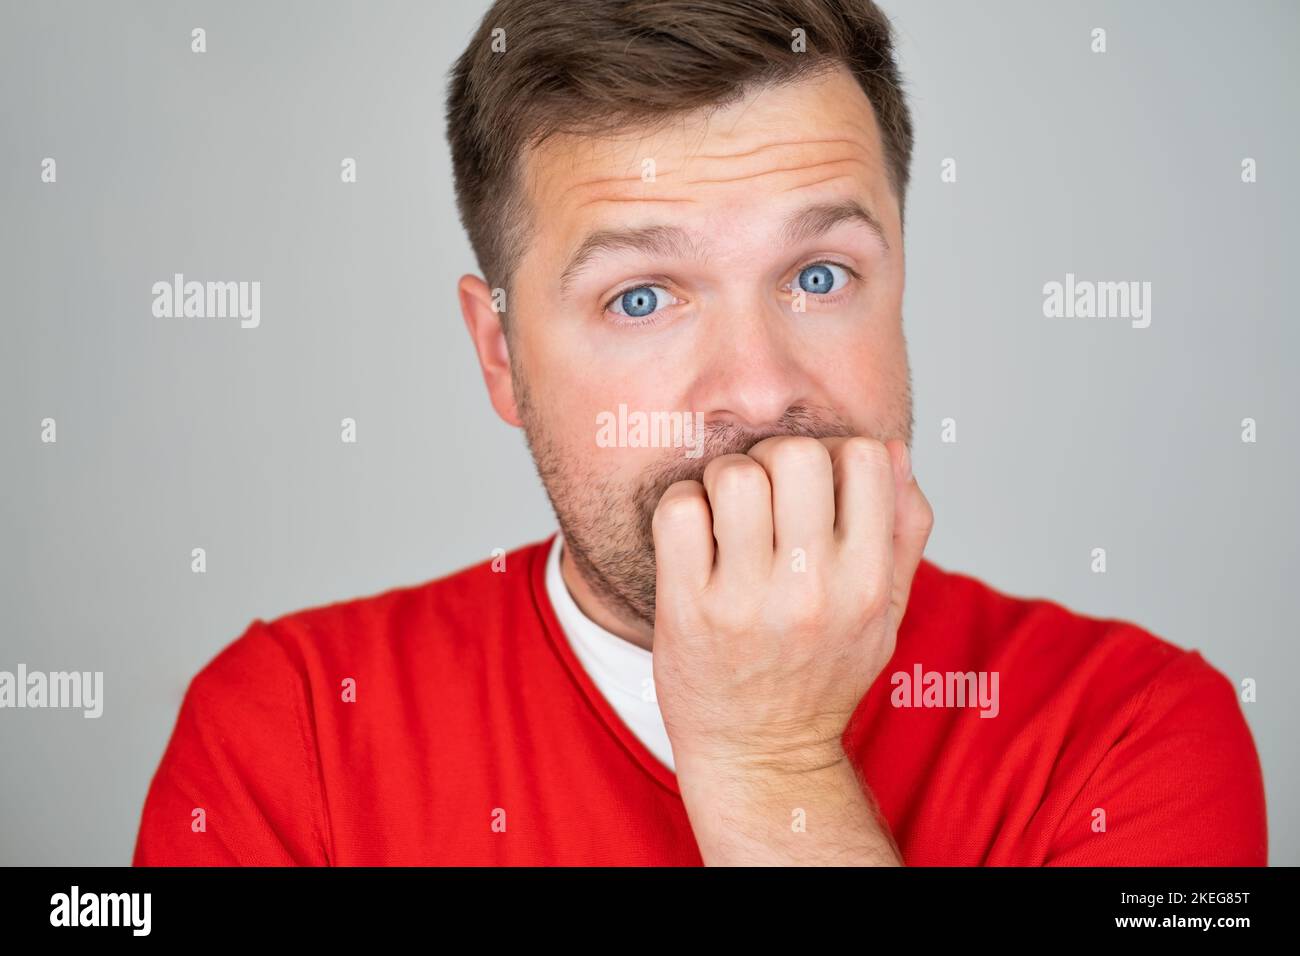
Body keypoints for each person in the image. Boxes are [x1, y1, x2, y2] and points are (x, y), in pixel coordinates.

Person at [133, 0, 1267, 866]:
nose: (759, 390)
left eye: (820, 275)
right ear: (502, 357)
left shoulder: (1133, 730)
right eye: (641, 296)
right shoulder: (291, 733)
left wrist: (766, 758)